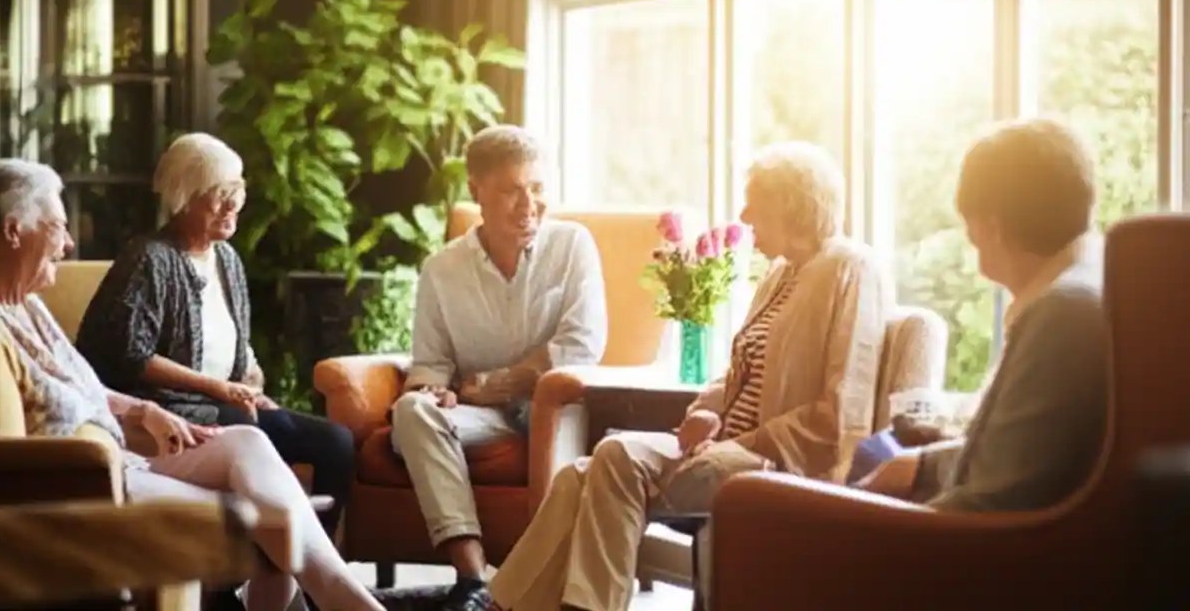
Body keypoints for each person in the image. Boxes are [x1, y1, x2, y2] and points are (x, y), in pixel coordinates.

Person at [487, 141, 894, 611]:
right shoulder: (779, 275)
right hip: (729, 446)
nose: (743, 216)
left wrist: (746, 443)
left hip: (778, 463)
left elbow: (844, 414)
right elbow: (738, 374)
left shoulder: (852, 269)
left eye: (754, 203)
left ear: (790, 203)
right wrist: (706, 411)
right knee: (580, 475)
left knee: (615, 453)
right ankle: (507, 605)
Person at [0, 159, 385, 611]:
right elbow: (3, 460)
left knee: (248, 443)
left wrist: (141, 412)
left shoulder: (26, 306)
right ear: (13, 231)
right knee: (265, 515)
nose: (70, 243)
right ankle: (348, 602)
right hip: (87, 480)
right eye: (58, 226)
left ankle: (343, 599)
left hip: (123, 454)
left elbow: (79, 386)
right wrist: (186, 398)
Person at [75, 133, 354, 535]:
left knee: (336, 443)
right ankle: (235, 572)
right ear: (184, 197)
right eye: (220, 192)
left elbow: (233, 337)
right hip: (171, 408)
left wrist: (249, 378)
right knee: (246, 428)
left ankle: (305, 558)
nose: (233, 204)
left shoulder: (226, 258)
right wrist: (216, 388)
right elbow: (130, 356)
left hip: (229, 402)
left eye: (237, 189)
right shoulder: (149, 259)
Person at [389, 125, 607, 611]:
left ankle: (544, 589)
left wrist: (505, 381)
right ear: (477, 191)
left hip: (553, 405)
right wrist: (432, 391)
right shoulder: (442, 269)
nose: (529, 204)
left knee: (551, 407)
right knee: (410, 412)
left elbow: (582, 343)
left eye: (537, 188)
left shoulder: (573, 246)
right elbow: (431, 361)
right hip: (479, 415)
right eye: (512, 190)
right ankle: (473, 580)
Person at [855, 118, 1108, 511]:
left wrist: (855, 529)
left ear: (992, 228)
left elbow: (992, 503)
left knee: (757, 503)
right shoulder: (1094, 280)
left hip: (981, 558)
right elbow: (1019, 455)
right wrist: (923, 465)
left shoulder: (1061, 315)